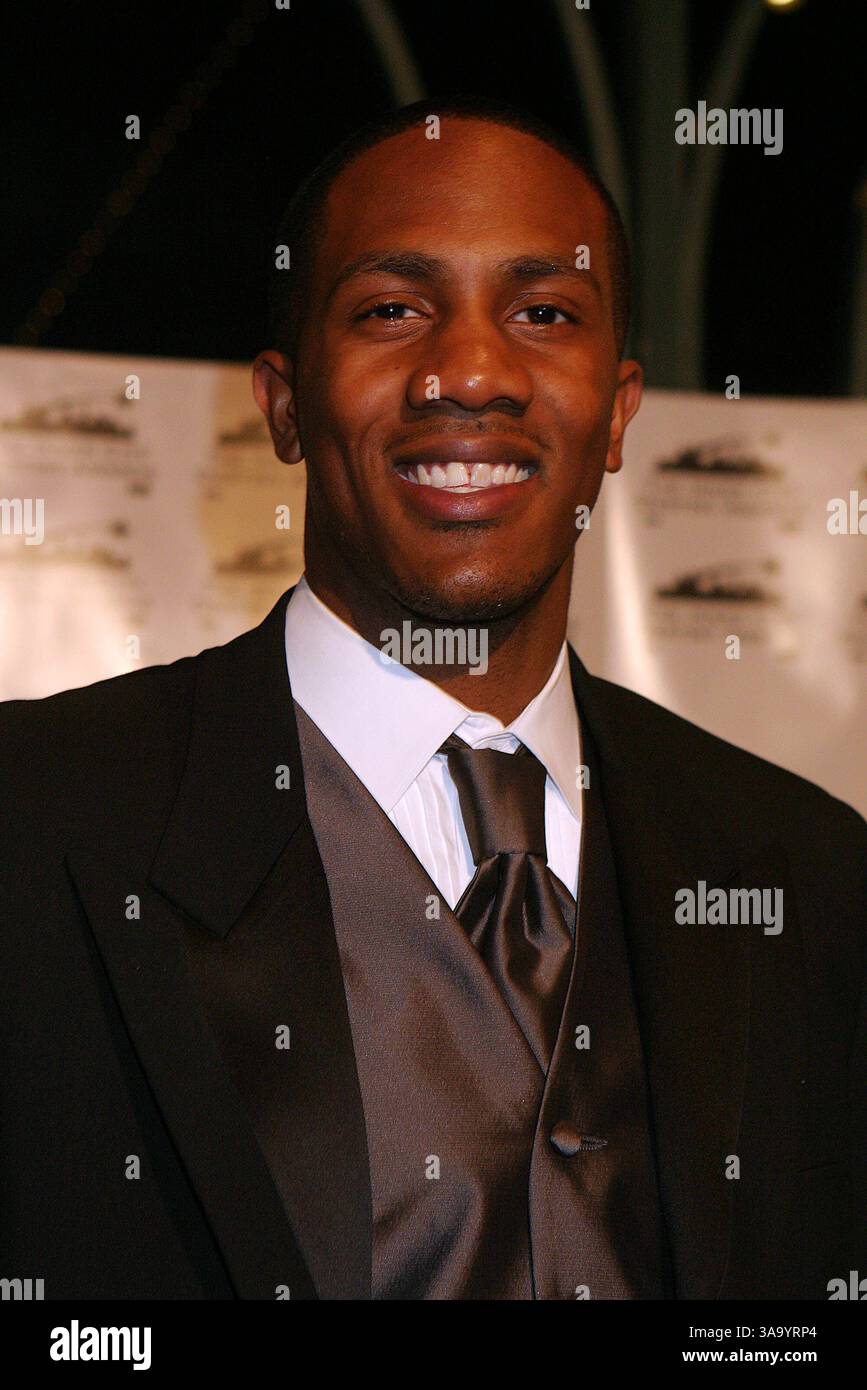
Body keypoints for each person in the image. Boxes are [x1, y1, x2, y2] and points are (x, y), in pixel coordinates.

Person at [1, 96, 864, 1301]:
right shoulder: (38, 824)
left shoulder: (811, 875)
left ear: (618, 414)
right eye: (392, 310)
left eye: (543, 313)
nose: (469, 370)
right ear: (284, 401)